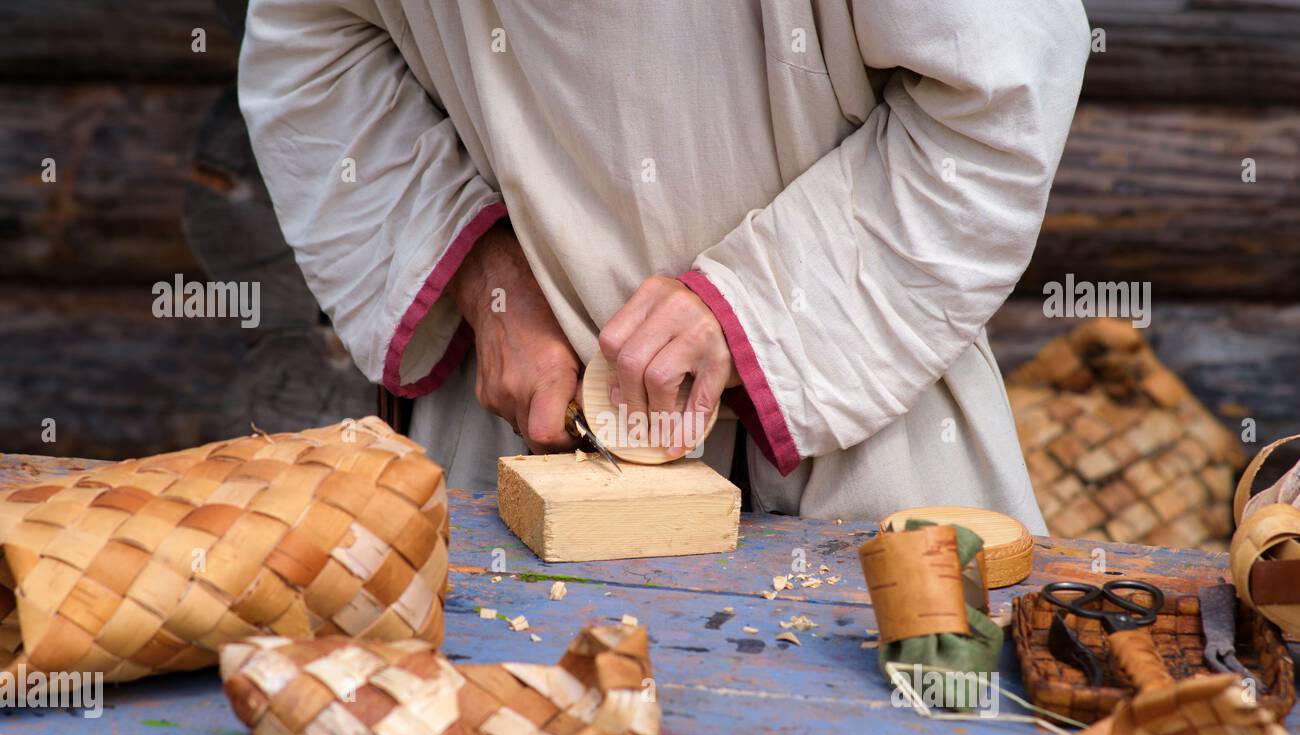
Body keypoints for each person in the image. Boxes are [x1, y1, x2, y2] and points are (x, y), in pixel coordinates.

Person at [240, 0, 1089, 531]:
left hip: (865, 462)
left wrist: (757, 309)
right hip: (520, 463)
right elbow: (311, 52)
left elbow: (998, 103)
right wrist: (486, 281)